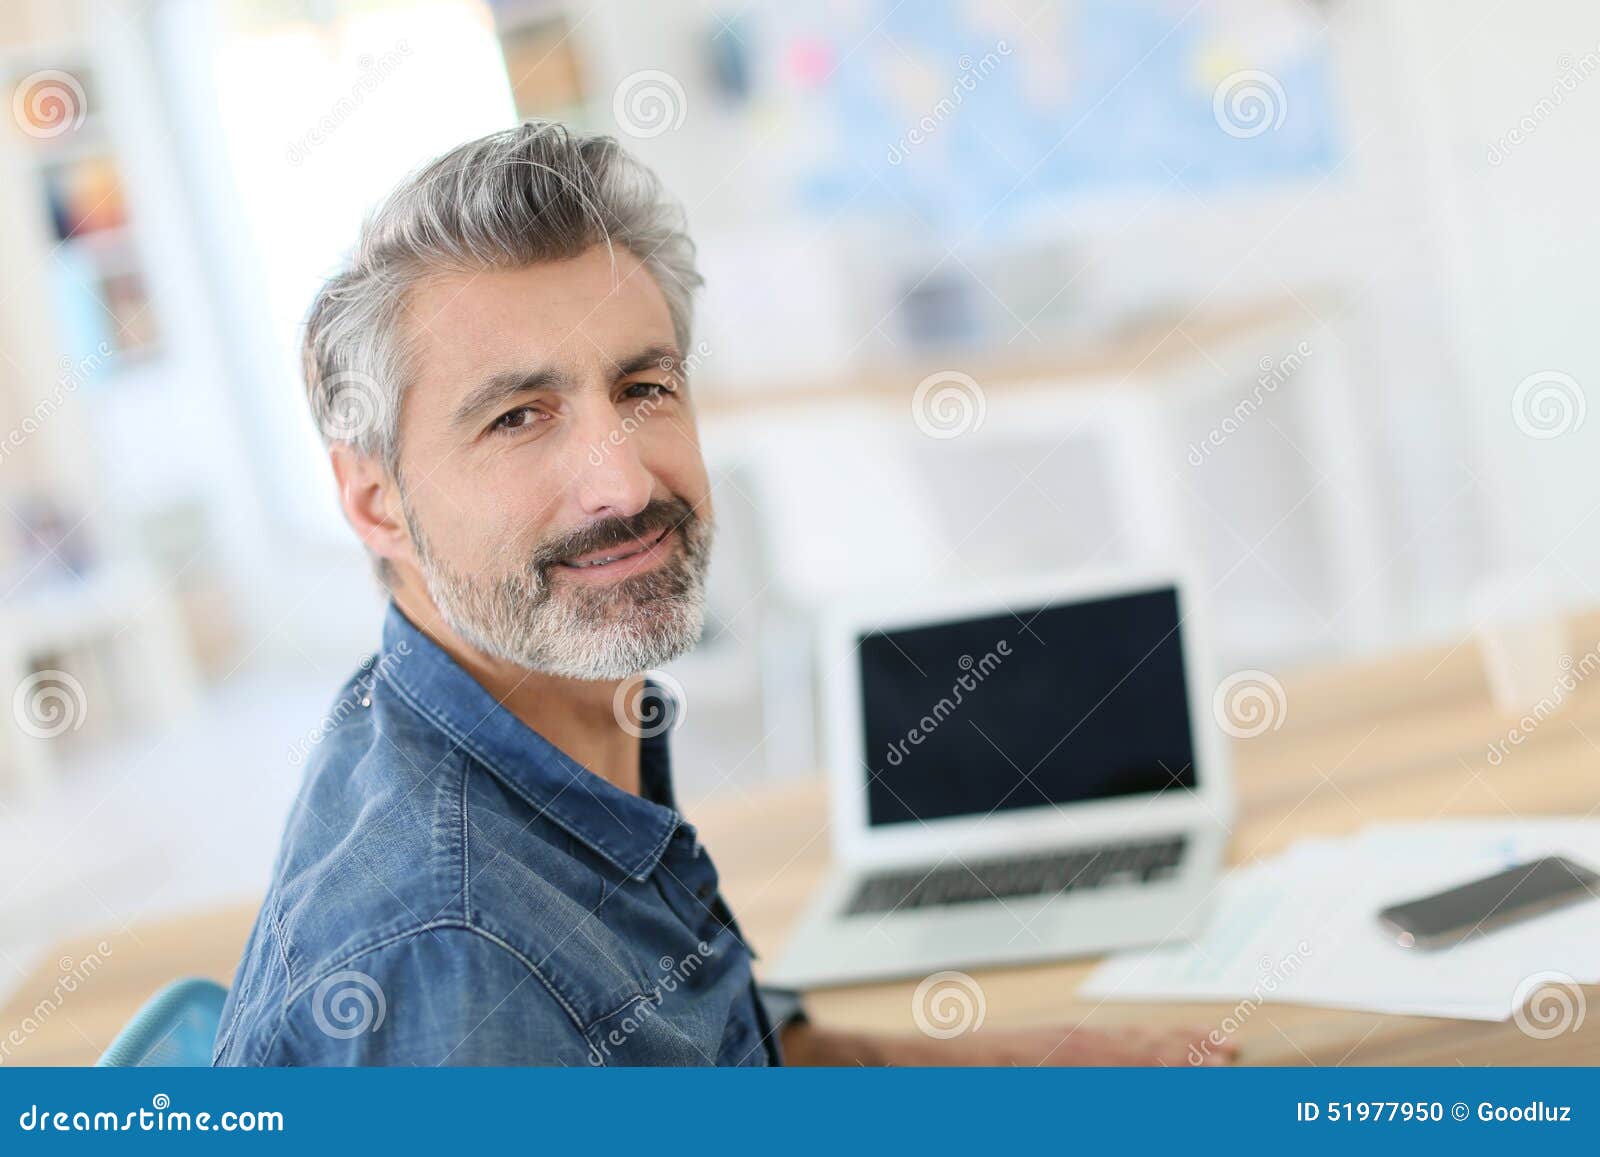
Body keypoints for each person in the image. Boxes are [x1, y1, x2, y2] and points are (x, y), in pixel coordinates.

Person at [213, 122, 1234, 1067]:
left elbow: (739, 1058)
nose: (623, 482)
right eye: (520, 416)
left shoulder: (546, 730)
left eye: (643, 388)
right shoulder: (458, 963)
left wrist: (1043, 1065)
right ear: (376, 499)